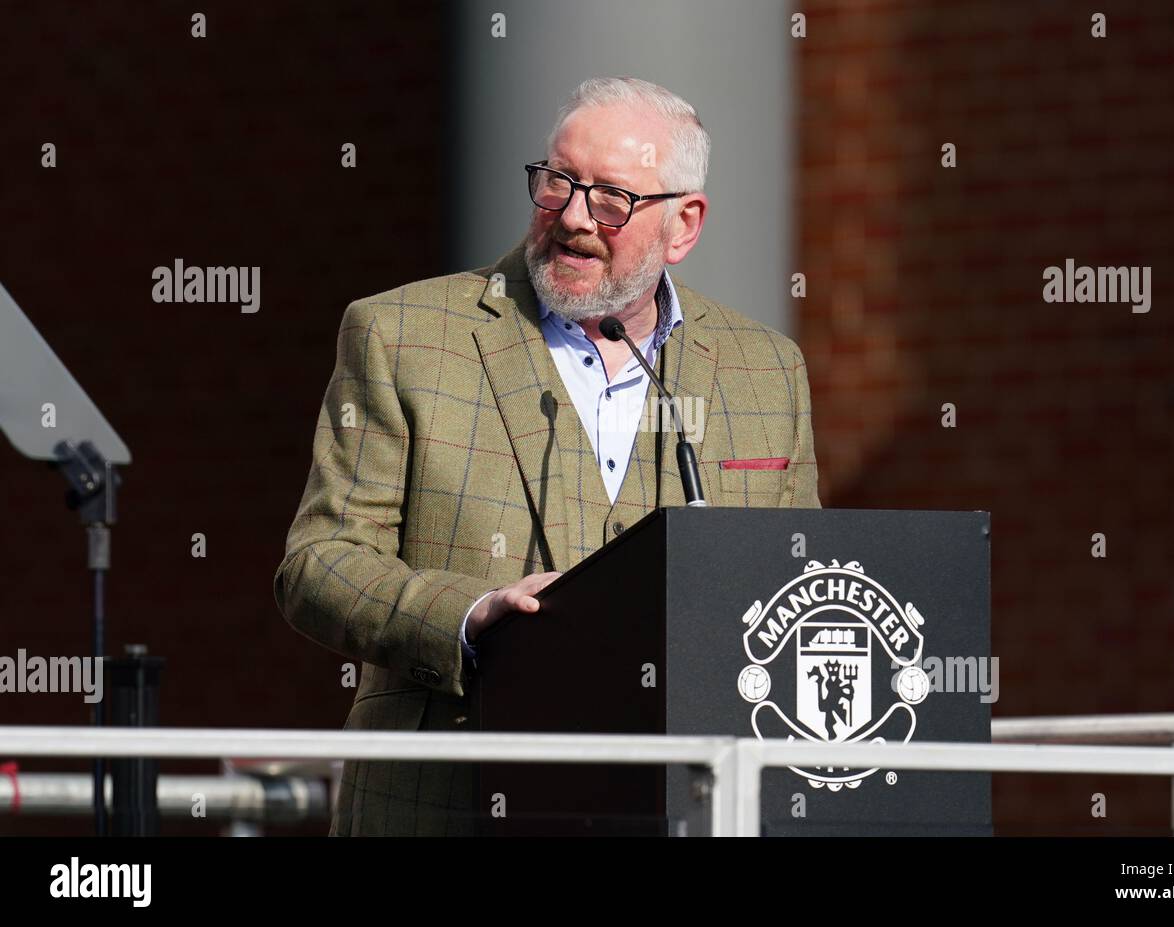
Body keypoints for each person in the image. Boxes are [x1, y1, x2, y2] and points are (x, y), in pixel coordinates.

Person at [273, 76, 820, 836]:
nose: (571, 218)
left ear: (683, 224)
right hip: (448, 805)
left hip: (683, 807)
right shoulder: (401, 335)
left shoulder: (768, 372)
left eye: (610, 199)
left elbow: (801, 578)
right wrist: (468, 616)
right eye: (557, 181)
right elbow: (319, 562)